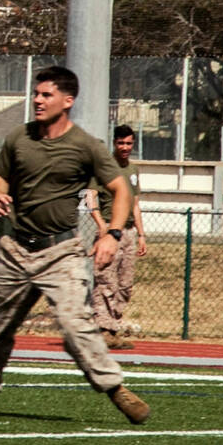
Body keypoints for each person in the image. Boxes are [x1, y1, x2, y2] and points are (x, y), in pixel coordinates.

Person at [0, 66, 151, 424]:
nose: (37, 100)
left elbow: (120, 190)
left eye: (46, 95)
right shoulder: (19, 138)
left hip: (60, 251)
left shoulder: (86, 145)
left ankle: (116, 390)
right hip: (16, 249)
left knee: (74, 322)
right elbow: (0, 176)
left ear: (68, 101)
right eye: (36, 94)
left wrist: (112, 234)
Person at [87, 125, 147, 349]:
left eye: (129, 143)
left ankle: (113, 327)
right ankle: (103, 330)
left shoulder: (133, 170)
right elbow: (90, 198)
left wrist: (141, 235)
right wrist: (101, 225)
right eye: (121, 143)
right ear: (114, 143)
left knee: (125, 285)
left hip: (129, 233)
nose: (125, 147)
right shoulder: (104, 169)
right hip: (110, 233)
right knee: (105, 281)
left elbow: (135, 205)